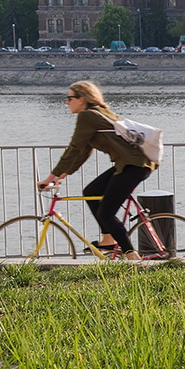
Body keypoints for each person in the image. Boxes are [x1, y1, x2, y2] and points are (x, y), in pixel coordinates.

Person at [35, 81, 156, 260]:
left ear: (81, 99)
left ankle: (132, 256)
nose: (66, 102)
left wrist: (50, 177)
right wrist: (61, 175)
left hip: (134, 166)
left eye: (70, 98)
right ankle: (108, 239)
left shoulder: (87, 116)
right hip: (131, 164)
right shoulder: (97, 114)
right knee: (91, 191)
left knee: (106, 213)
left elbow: (74, 147)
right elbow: (83, 151)